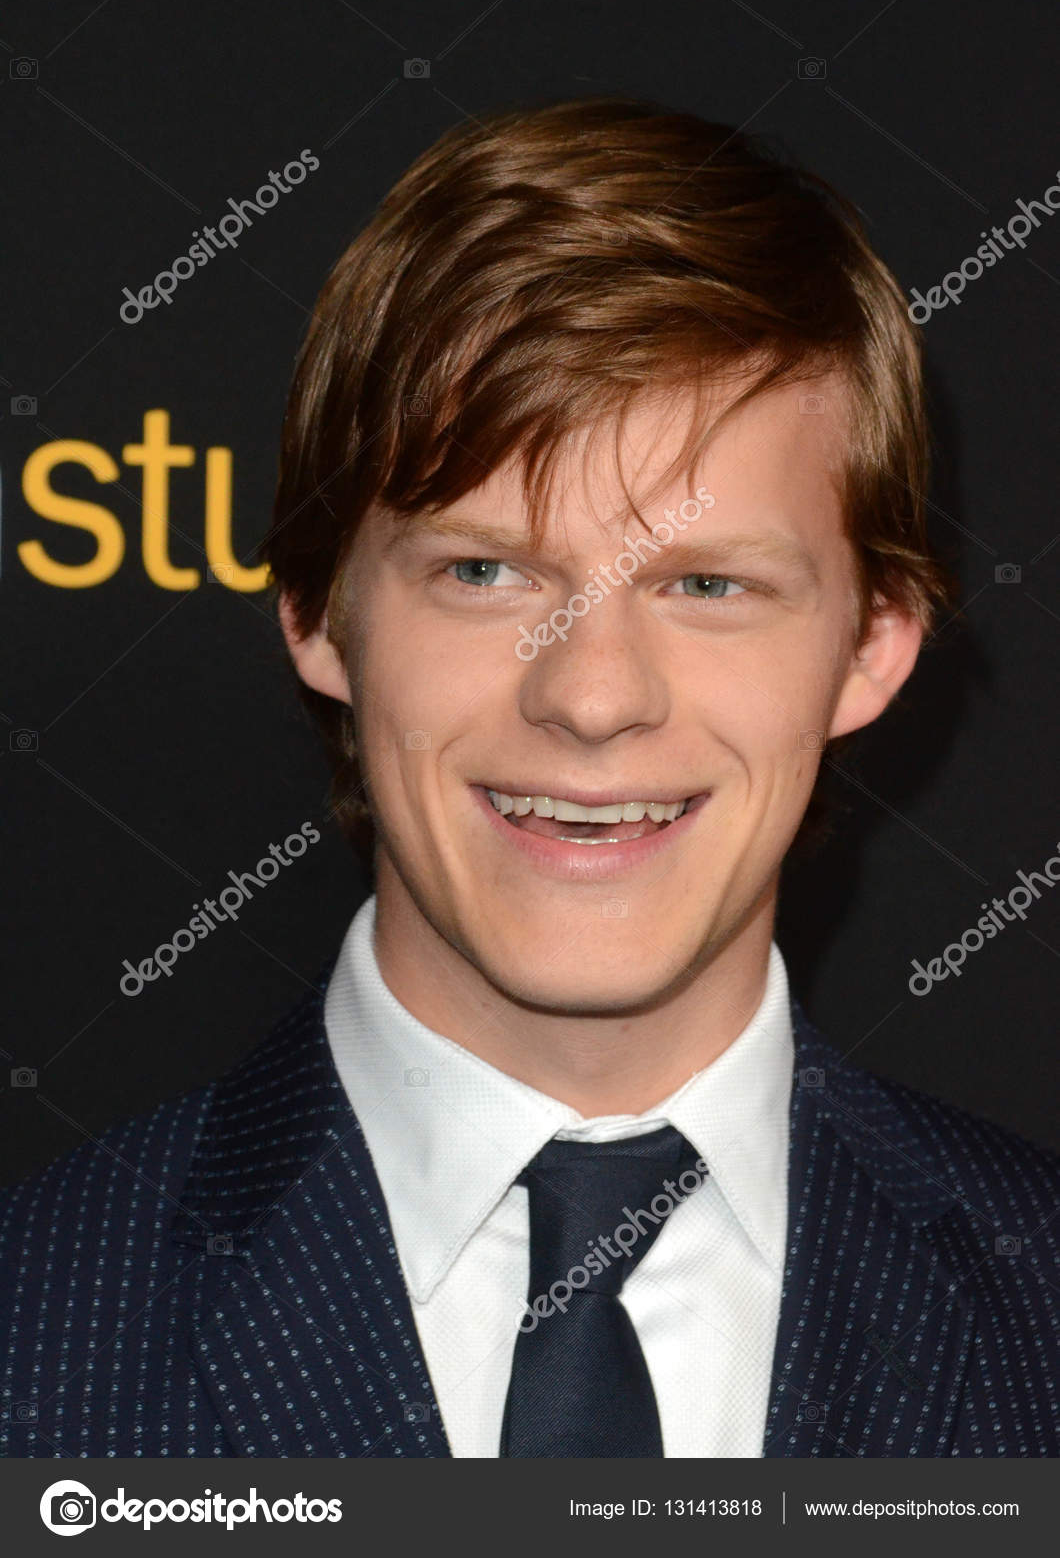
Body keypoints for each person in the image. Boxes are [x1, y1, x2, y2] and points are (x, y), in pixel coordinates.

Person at [2, 98, 1057, 1460]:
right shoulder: (34, 1334)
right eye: (487, 572)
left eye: (708, 583)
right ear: (320, 616)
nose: (593, 695)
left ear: (873, 647)